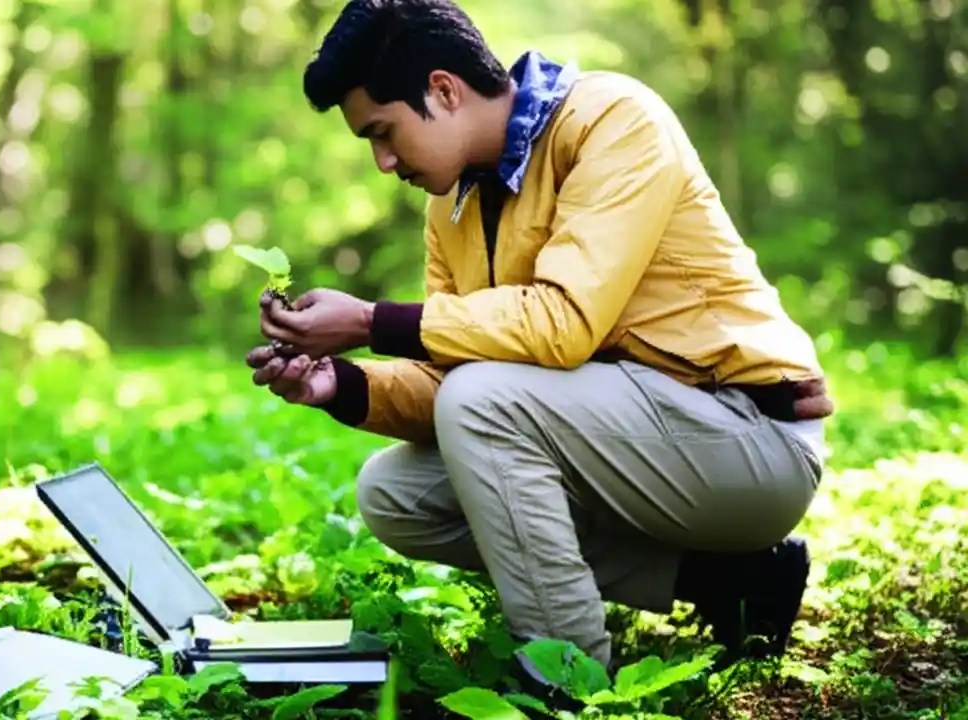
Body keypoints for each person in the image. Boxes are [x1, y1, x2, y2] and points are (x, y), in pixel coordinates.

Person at [245, 0, 833, 685]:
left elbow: (561, 324)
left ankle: (568, 677)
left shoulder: (613, 119)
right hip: (632, 447)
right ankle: (730, 578)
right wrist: (341, 385)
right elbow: (457, 376)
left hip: (748, 439)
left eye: (384, 132)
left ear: (443, 90)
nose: (382, 162)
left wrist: (375, 322)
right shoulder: (452, 204)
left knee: (484, 400)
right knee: (396, 493)